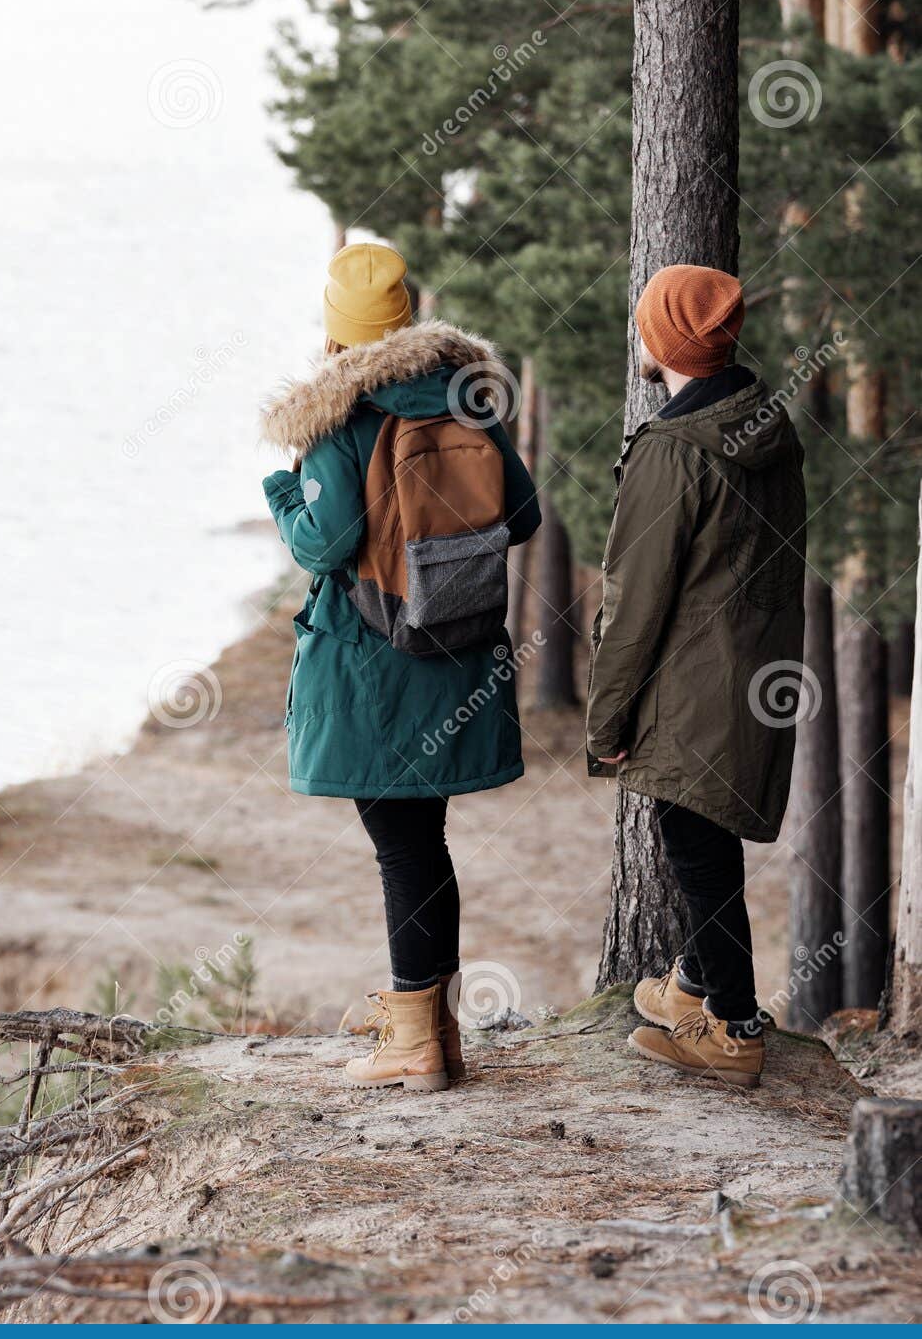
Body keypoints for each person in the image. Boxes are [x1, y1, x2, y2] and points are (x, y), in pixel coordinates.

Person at [262, 242, 539, 1092]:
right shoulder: (463, 397)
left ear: (337, 336)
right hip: (456, 650)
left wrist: (281, 493)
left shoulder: (339, 416)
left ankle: (415, 1037)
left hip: (377, 667)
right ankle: (435, 1031)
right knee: (422, 841)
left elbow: (327, 539)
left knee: (402, 847)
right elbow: (521, 513)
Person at [587, 264, 806, 1089]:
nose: (638, 334)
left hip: (694, 679)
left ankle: (734, 1028)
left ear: (662, 340)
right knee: (698, 828)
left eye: (645, 322)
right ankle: (692, 984)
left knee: (690, 836)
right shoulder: (764, 424)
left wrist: (605, 723)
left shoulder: (674, 449)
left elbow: (633, 601)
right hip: (753, 669)